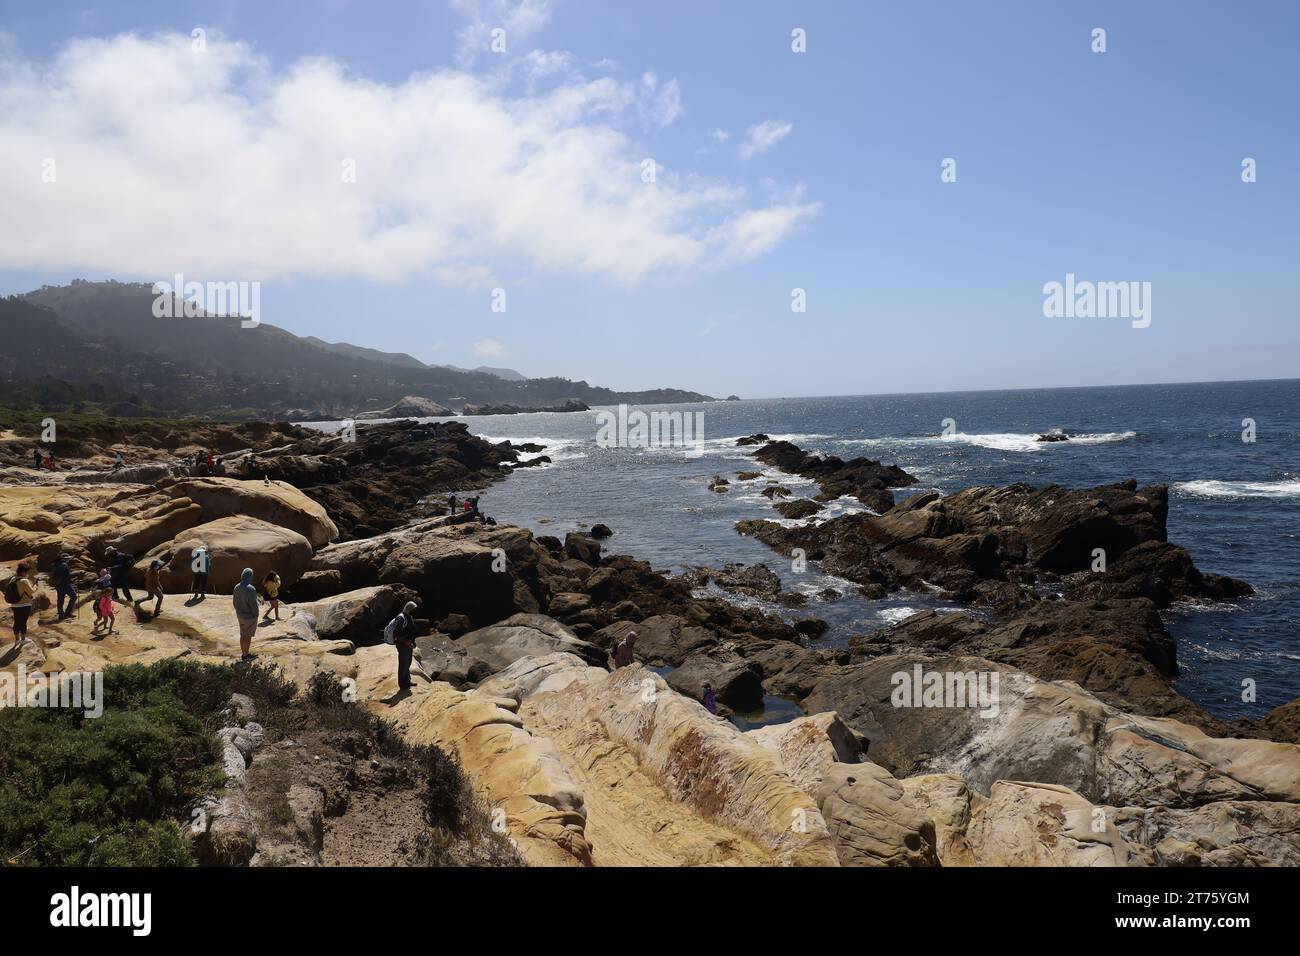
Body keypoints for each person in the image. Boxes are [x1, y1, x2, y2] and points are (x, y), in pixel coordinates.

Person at [387, 601, 419, 690]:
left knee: (407, 663)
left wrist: (412, 642)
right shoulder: (401, 618)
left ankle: (407, 681)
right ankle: (403, 685)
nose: (415, 611)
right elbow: (396, 633)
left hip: (408, 644)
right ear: (409, 609)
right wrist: (405, 641)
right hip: (402, 645)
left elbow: (411, 631)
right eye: (414, 609)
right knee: (403, 664)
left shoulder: (409, 617)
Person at [5, 562, 36, 650]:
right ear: (24, 572)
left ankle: (17, 640)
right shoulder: (24, 580)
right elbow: (31, 591)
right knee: (23, 622)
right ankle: (23, 639)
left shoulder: (13, 579)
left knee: (17, 622)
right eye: (27, 572)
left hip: (14, 605)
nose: (27, 574)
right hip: (24, 605)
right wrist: (36, 587)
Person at [232, 568, 260, 661]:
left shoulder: (236, 587)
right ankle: (246, 655)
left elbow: (234, 602)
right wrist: (256, 615)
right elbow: (253, 604)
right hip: (249, 617)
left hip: (240, 615)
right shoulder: (250, 588)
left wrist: (238, 611)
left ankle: (244, 653)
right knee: (248, 636)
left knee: (242, 635)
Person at [52, 553, 77, 620]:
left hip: (58, 585)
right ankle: (67, 613)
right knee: (74, 596)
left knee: (60, 600)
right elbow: (68, 575)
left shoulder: (56, 565)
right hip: (66, 584)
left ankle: (61, 615)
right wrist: (77, 573)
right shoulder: (64, 565)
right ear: (63, 559)